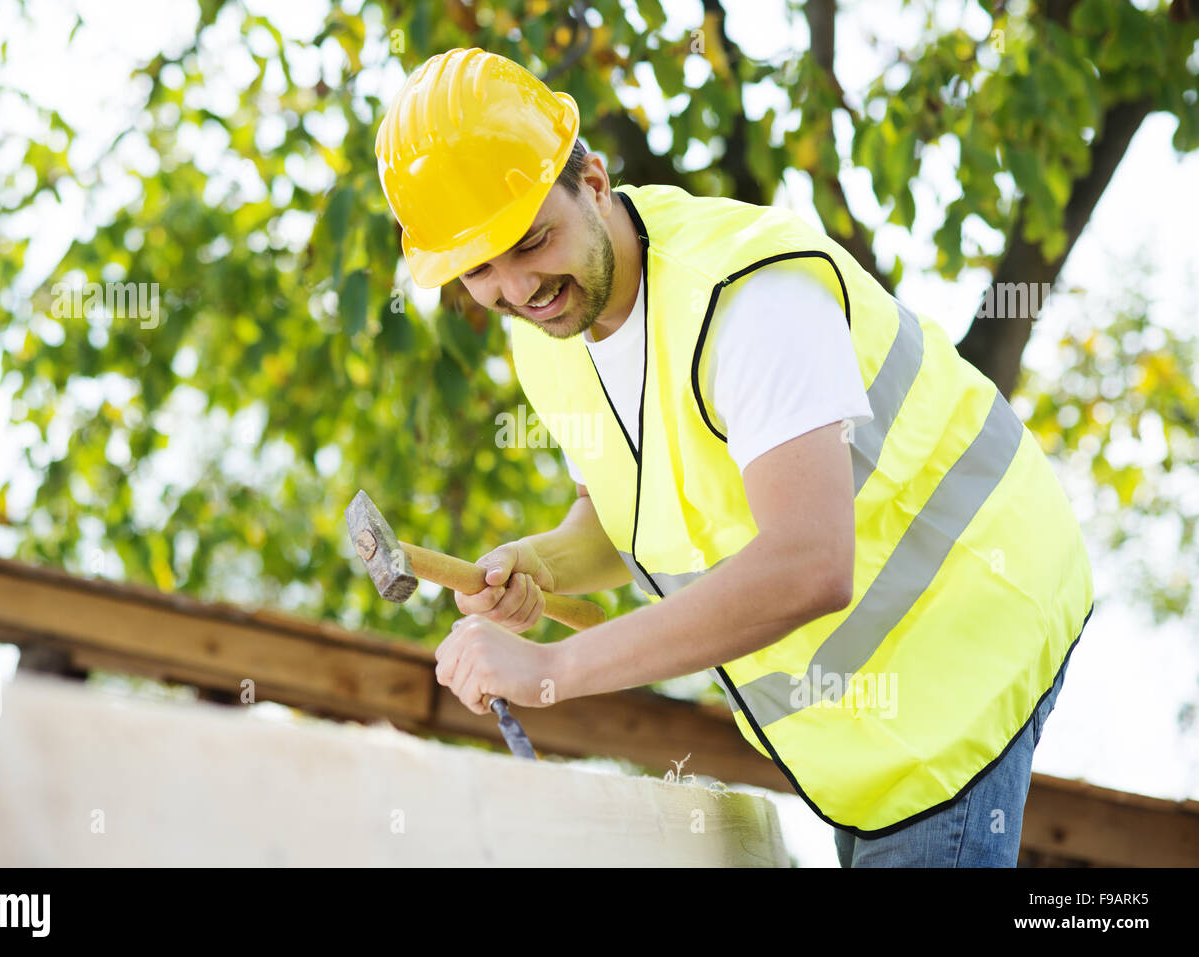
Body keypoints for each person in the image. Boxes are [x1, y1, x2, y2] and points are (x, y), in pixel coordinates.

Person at [373, 47, 1095, 866]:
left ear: (595, 182)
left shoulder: (746, 295)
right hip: (858, 736)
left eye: (532, 240)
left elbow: (809, 563)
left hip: (969, 642)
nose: (518, 289)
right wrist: (537, 561)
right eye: (478, 271)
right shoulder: (551, 338)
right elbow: (625, 516)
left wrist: (554, 670)